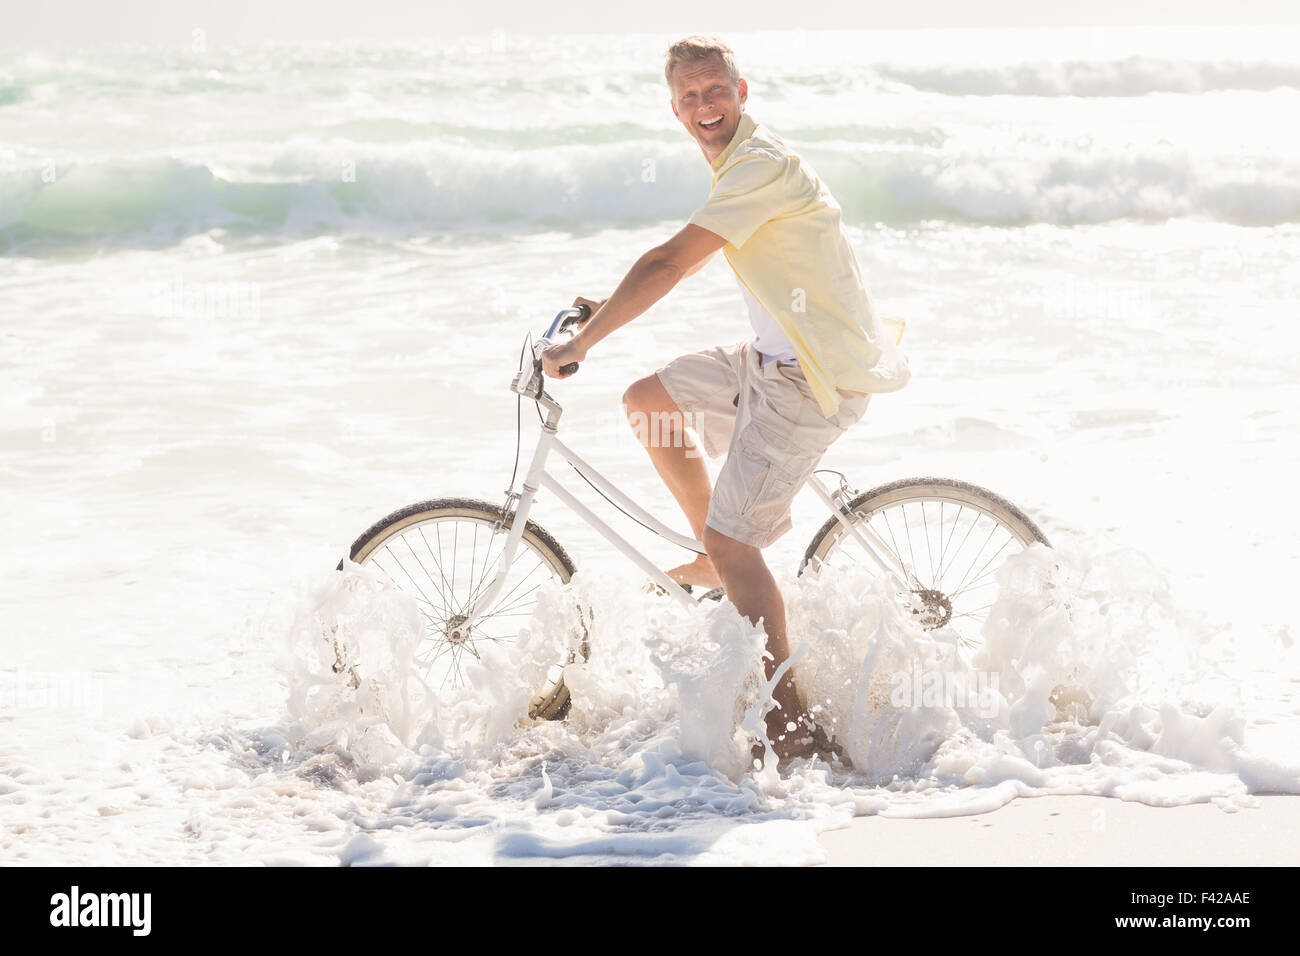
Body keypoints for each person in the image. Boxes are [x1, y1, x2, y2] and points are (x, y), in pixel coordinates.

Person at [540, 35, 910, 760]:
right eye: (690, 96)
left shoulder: (760, 164)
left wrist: (583, 344)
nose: (704, 105)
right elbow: (703, 259)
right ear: (675, 111)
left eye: (715, 91)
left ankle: (792, 725)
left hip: (810, 378)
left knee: (737, 544)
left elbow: (670, 261)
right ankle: (720, 556)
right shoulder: (738, 164)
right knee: (650, 400)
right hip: (772, 362)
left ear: (742, 95)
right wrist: (607, 305)